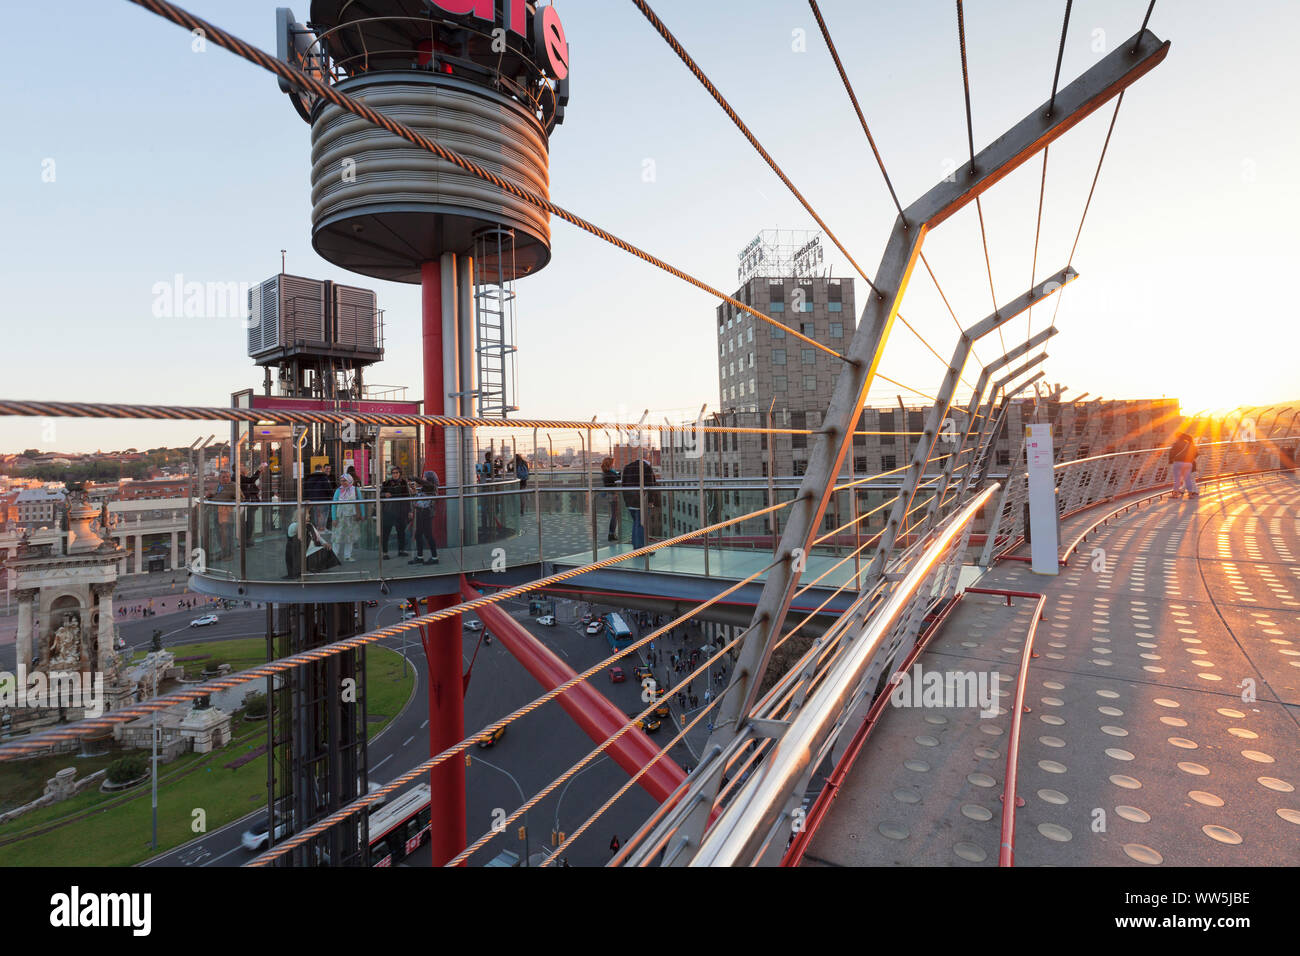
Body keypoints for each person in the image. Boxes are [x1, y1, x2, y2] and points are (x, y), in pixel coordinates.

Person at [620, 458, 658, 549]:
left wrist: (626, 499)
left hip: (630, 500)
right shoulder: (646, 467)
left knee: (636, 523)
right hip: (642, 500)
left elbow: (623, 484)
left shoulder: (627, 467)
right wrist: (651, 501)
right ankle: (640, 549)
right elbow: (650, 485)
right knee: (641, 524)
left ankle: (636, 546)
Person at [410, 469, 441, 565]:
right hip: (421, 512)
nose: (423, 479)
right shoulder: (425, 488)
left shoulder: (431, 487)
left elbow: (427, 485)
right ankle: (420, 557)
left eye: (425, 477)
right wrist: (414, 492)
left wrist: (415, 478)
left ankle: (435, 557)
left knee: (428, 535)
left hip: (427, 513)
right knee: (418, 534)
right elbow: (419, 499)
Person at [381, 465, 411, 558]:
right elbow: (380, 494)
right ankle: (385, 552)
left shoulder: (403, 483)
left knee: (401, 531)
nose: (395, 475)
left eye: (396, 473)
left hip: (401, 511)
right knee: (386, 532)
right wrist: (385, 494)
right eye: (393, 473)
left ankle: (401, 550)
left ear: (400, 474)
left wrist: (409, 511)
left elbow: (407, 497)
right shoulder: (386, 483)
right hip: (388, 511)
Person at [331, 472, 361, 562]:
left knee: (349, 537)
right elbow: (334, 505)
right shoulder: (338, 491)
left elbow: (360, 502)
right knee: (337, 537)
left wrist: (362, 514)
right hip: (340, 517)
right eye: (341, 481)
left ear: (349, 481)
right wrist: (334, 518)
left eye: (345, 481)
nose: (342, 482)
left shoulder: (355, 490)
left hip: (351, 517)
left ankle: (347, 555)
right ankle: (334, 555)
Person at [212, 469, 236, 559]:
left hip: (227, 513)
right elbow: (217, 496)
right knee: (219, 534)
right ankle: (223, 552)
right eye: (223, 477)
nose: (226, 478)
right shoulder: (218, 486)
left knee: (228, 535)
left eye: (228, 477)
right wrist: (211, 496)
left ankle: (229, 554)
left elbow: (241, 498)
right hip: (217, 512)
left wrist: (229, 503)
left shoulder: (233, 486)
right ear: (219, 478)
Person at [1169, 431, 1199, 498]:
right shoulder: (1190, 444)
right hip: (1188, 463)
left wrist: (1171, 460)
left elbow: (1171, 453)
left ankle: (1175, 494)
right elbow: (1196, 454)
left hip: (1178, 462)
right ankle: (1190, 494)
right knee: (1188, 479)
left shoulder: (1176, 444)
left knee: (1177, 479)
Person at [601, 457, 621, 541]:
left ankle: (612, 533)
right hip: (613, 495)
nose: (614, 464)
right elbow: (617, 480)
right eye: (613, 463)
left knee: (614, 515)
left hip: (611, 495)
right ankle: (611, 534)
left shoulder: (607, 473)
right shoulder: (610, 474)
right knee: (614, 515)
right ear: (610, 464)